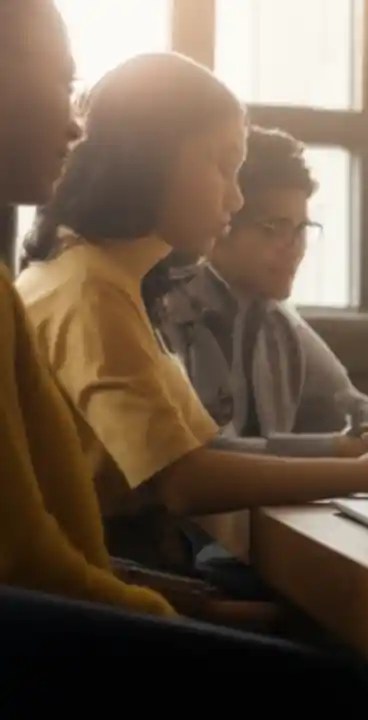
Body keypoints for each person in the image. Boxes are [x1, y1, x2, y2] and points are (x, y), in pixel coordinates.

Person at [16, 53, 368, 578]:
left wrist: (365, 460)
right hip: (110, 594)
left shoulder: (108, 278)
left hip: (142, 573)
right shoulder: (91, 289)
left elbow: (202, 452)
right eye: (222, 165)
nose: (235, 196)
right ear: (150, 157)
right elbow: (187, 481)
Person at [0, 0, 172, 616]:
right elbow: (22, 560)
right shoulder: (87, 287)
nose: (76, 131)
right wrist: (164, 616)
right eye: (61, 82)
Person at [161, 125, 368, 457]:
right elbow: (206, 458)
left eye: (301, 229)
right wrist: (340, 449)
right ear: (222, 221)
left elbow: (353, 410)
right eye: (275, 228)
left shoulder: (277, 321)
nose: (294, 248)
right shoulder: (169, 315)